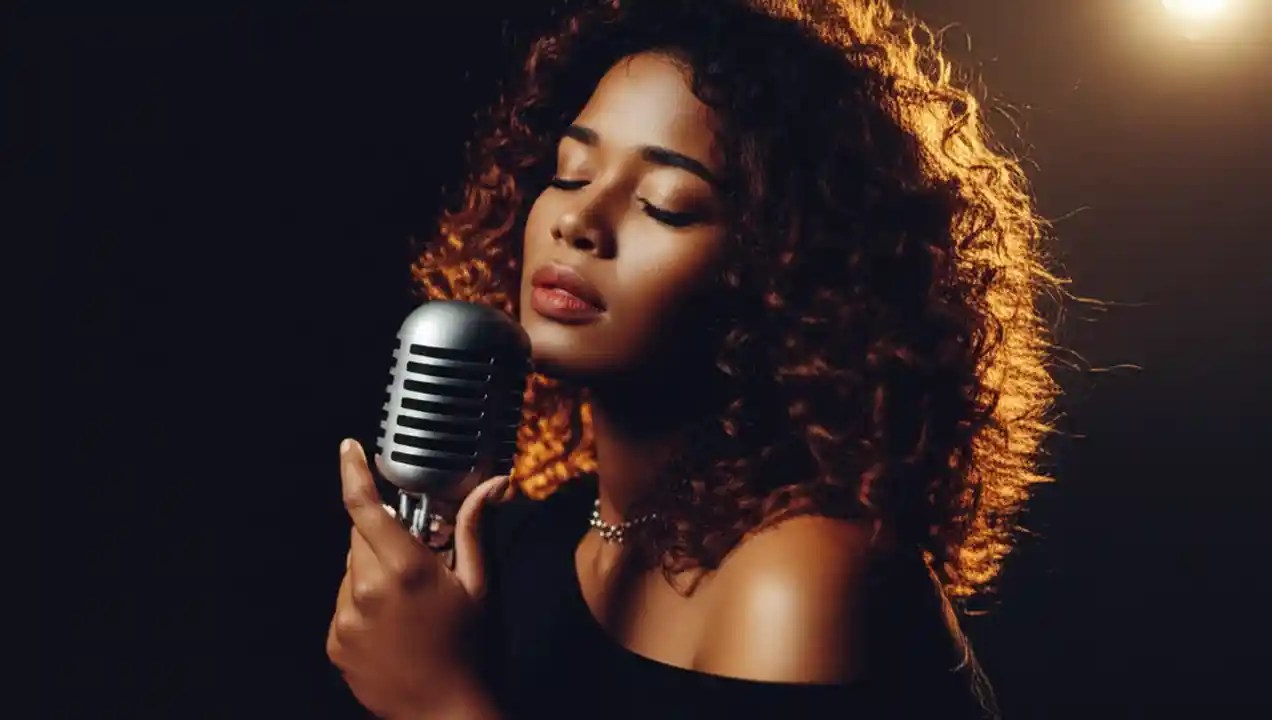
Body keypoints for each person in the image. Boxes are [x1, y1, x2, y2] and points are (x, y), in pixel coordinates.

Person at [326, 0, 1065, 717]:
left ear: (787, 280)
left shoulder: (801, 579)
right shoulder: (540, 542)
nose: (580, 221)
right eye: (571, 172)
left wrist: (438, 701)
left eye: (667, 204)